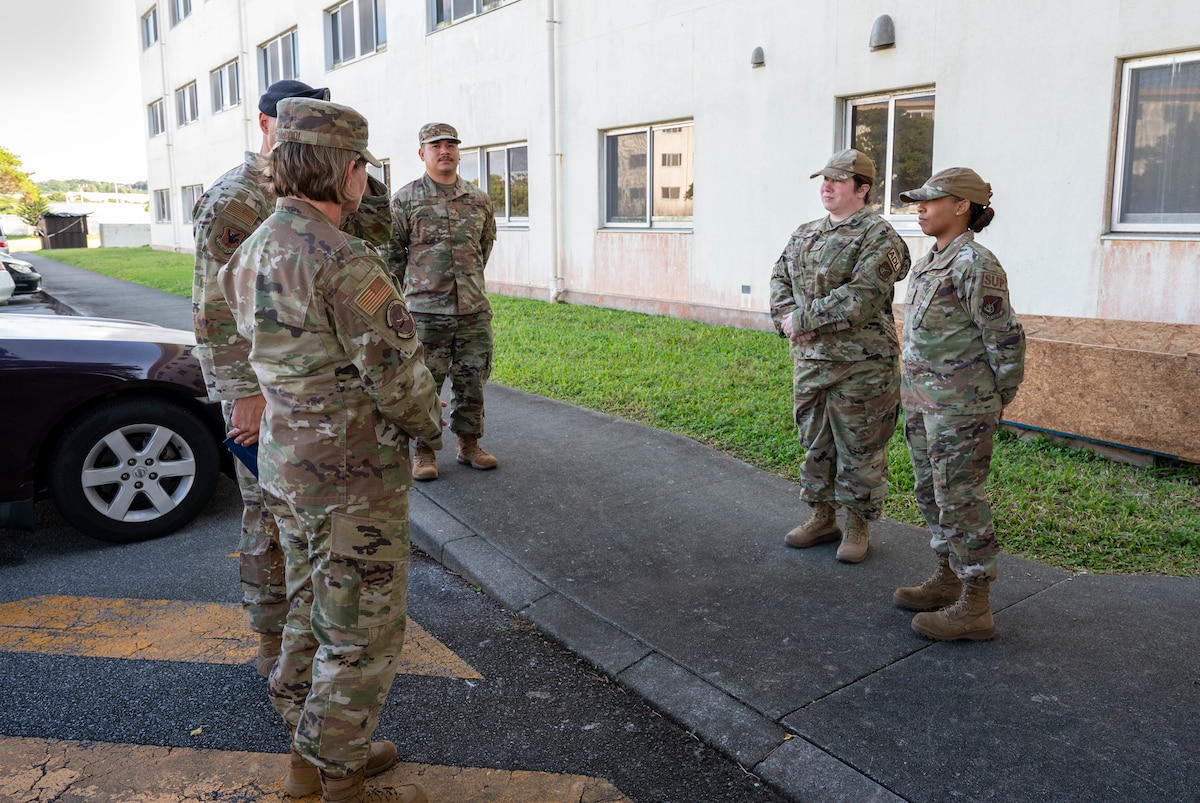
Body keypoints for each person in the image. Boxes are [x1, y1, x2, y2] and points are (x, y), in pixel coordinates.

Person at [218, 97, 441, 803]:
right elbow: (403, 384)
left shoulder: (253, 248)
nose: (365, 182)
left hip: (288, 471)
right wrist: (428, 427)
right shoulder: (346, 260)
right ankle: (345, 785)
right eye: (362, 170)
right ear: (346, 171)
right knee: (362, 637)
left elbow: (242, 350)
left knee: (313, 615)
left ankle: (306, 765)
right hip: (354, 479)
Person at [192, 79, 394, 682]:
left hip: (324, 391)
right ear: (263, 123)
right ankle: (270, 638)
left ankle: (307, 647)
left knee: (311, 529)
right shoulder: (235, 199)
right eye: (292, 121)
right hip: (269, 394)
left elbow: (377, 233)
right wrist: (244, 396)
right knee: (268, 523)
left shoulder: (326, 188)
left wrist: (354, 175)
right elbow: (212, 308)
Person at [891, 167, 1025, 642]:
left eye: (930, 200)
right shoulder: (931, 261)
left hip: (962, 406)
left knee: (960, 497)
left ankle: (975, 606)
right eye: (919, 201)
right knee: (930, 490)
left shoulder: (975, 264)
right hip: (923, 398)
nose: (920, 208)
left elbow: (1005, 339)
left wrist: (991, 399)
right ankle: (947, 577)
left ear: (961, 206)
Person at [769, 149, 911, 563]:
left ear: (863, 189)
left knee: (860, 444)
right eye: (824, 179)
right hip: (811, 360)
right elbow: (779, 278)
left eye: (837, 180)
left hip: (863, 363)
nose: (826, 186)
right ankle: (822, 516)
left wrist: (805, 318)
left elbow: (861, 297)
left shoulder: (879, 237)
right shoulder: (805, 232)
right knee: (815, 440)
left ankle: (857, 525)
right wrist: (786, 319)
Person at [387, 122, 498, 481]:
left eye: (450, 144)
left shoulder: (478, 200)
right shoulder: (405, 199)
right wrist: (409, 296)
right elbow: (393, 255)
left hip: (472, 311)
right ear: (422, 153)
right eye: (436, 145)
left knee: (472, 380)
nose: (444, 150)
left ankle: (468, 445)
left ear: (458, 152)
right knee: (425, 383)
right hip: (424, 312)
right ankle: (424, 451)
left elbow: (484, 247)